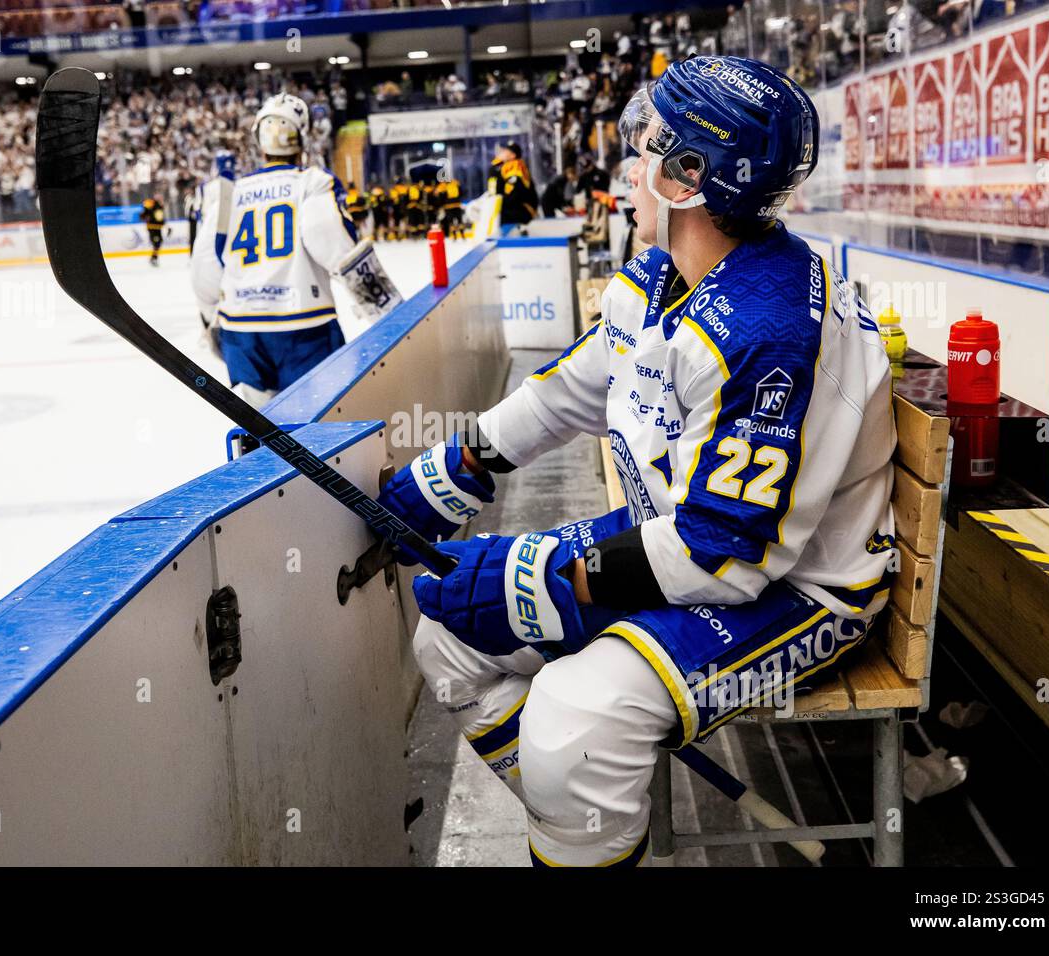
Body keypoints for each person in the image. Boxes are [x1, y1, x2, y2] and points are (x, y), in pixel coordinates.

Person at [377, 56, 896, 867]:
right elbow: (566, 394)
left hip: (802, 589)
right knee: (449, 644)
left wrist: (545, 574)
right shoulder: (662, 277)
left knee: (573, 721)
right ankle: (583, 828)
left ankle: (579, 811)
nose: (630, 166)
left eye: (649, 145)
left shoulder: (768, 331)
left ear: (691, 176)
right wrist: (452, 472)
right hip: (690, 545)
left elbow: (723, 559)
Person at [189, 94, 403, 408]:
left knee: (262, 430)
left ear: (259, 141)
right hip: (304, 329)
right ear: (301, 139)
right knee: (316, 427)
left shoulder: (226, 193)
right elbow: (336, 247)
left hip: (242, 333)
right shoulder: (312, 183)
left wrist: (213, 321)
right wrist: (387, 311)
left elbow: (204, 269)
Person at [486, 141, 538, 227]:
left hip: (525, 210)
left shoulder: (516, 167)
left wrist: (497, 204)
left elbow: (512, 196)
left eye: (506, 151)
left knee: (498, 217)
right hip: (518, 207)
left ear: (512, 155)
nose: (501, 152)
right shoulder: (505, 166)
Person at [139, 197, 165, 266]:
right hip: (152, 228)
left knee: (159, 242)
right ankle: (153, 258)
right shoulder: (150, 204)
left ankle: (154, 258)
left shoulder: (160, 206)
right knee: (156, 243)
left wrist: (165, 226)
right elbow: (142, 215)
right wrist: (145, 217)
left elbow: (161, 218)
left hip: (158, 228)